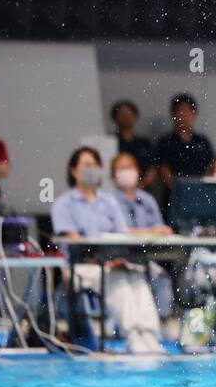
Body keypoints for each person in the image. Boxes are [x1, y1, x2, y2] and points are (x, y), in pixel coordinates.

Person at [51, 146, 163, 353]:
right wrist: (102, 260)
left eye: (95, 164)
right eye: (86, 165)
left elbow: (122, 236)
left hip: (112, 262)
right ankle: (133, 337)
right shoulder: (63, 204)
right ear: (73, 171)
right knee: (116, 280)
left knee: (137, 277)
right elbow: (73, 241)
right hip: (81, 267)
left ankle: (149, 336)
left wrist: (118, 258)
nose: (91, 169)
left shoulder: (109, 202)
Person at [155, 93, 215, 188]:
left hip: (201, 192)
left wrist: (201, 189)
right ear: (173, 114)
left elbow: (210, 168)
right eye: (180, 111)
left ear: (194, 114)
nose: (184, 115)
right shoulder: (166, 141)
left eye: (188, 111)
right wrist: (179, 191)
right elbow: (163, 170)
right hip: (174, 195)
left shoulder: (203, 141)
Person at [108, 151, 170, 234]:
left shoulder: (148, 199)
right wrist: (151, 231)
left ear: (138, 171)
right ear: (113, 175)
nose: (127, 172)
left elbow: (162, 229)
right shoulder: (108, 201)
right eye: (122, 168)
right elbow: (118, 231)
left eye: (130, 167)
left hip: (149, 246)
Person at [110, 99, 156, 188]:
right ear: (115, 118)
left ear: (135, 116)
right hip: (117, 190)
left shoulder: (144, 143)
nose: (126, 117)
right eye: (122, 114)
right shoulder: (111, 142)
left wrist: (141, 185)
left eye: (129, 113)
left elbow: (152, 168)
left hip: (143, 189)